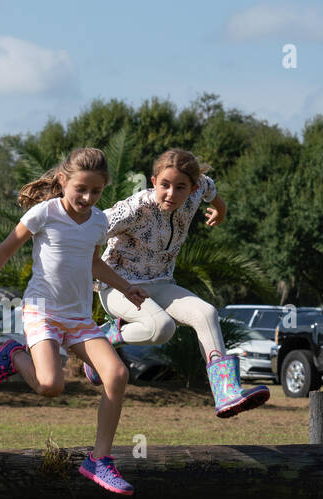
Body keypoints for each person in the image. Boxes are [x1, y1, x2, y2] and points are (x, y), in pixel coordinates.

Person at [0, 148, 148, 495]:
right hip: (42, 311)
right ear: (63, 181)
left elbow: (93, 263)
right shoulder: (44, 213)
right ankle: (13, 355)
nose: (87, 197)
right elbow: (4, 250)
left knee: (117, 374)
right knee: (50, 386)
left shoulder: (99, 222)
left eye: (96, 192)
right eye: (81, 188)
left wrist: (126, 287)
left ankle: (99, 459)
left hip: (79, 315)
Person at [94, 148, 268, 417]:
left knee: (207, 313)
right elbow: (91, 227)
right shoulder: (136, 207)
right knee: (162, 327)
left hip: (161, 282)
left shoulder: (199, 191)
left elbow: (213, 194)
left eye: (180, 187)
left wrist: (220, 211)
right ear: (153, 182)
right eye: (164, 185)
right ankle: (103, 339)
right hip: (119, 286)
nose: (171, 194)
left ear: (193, 187)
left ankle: (226, 393)